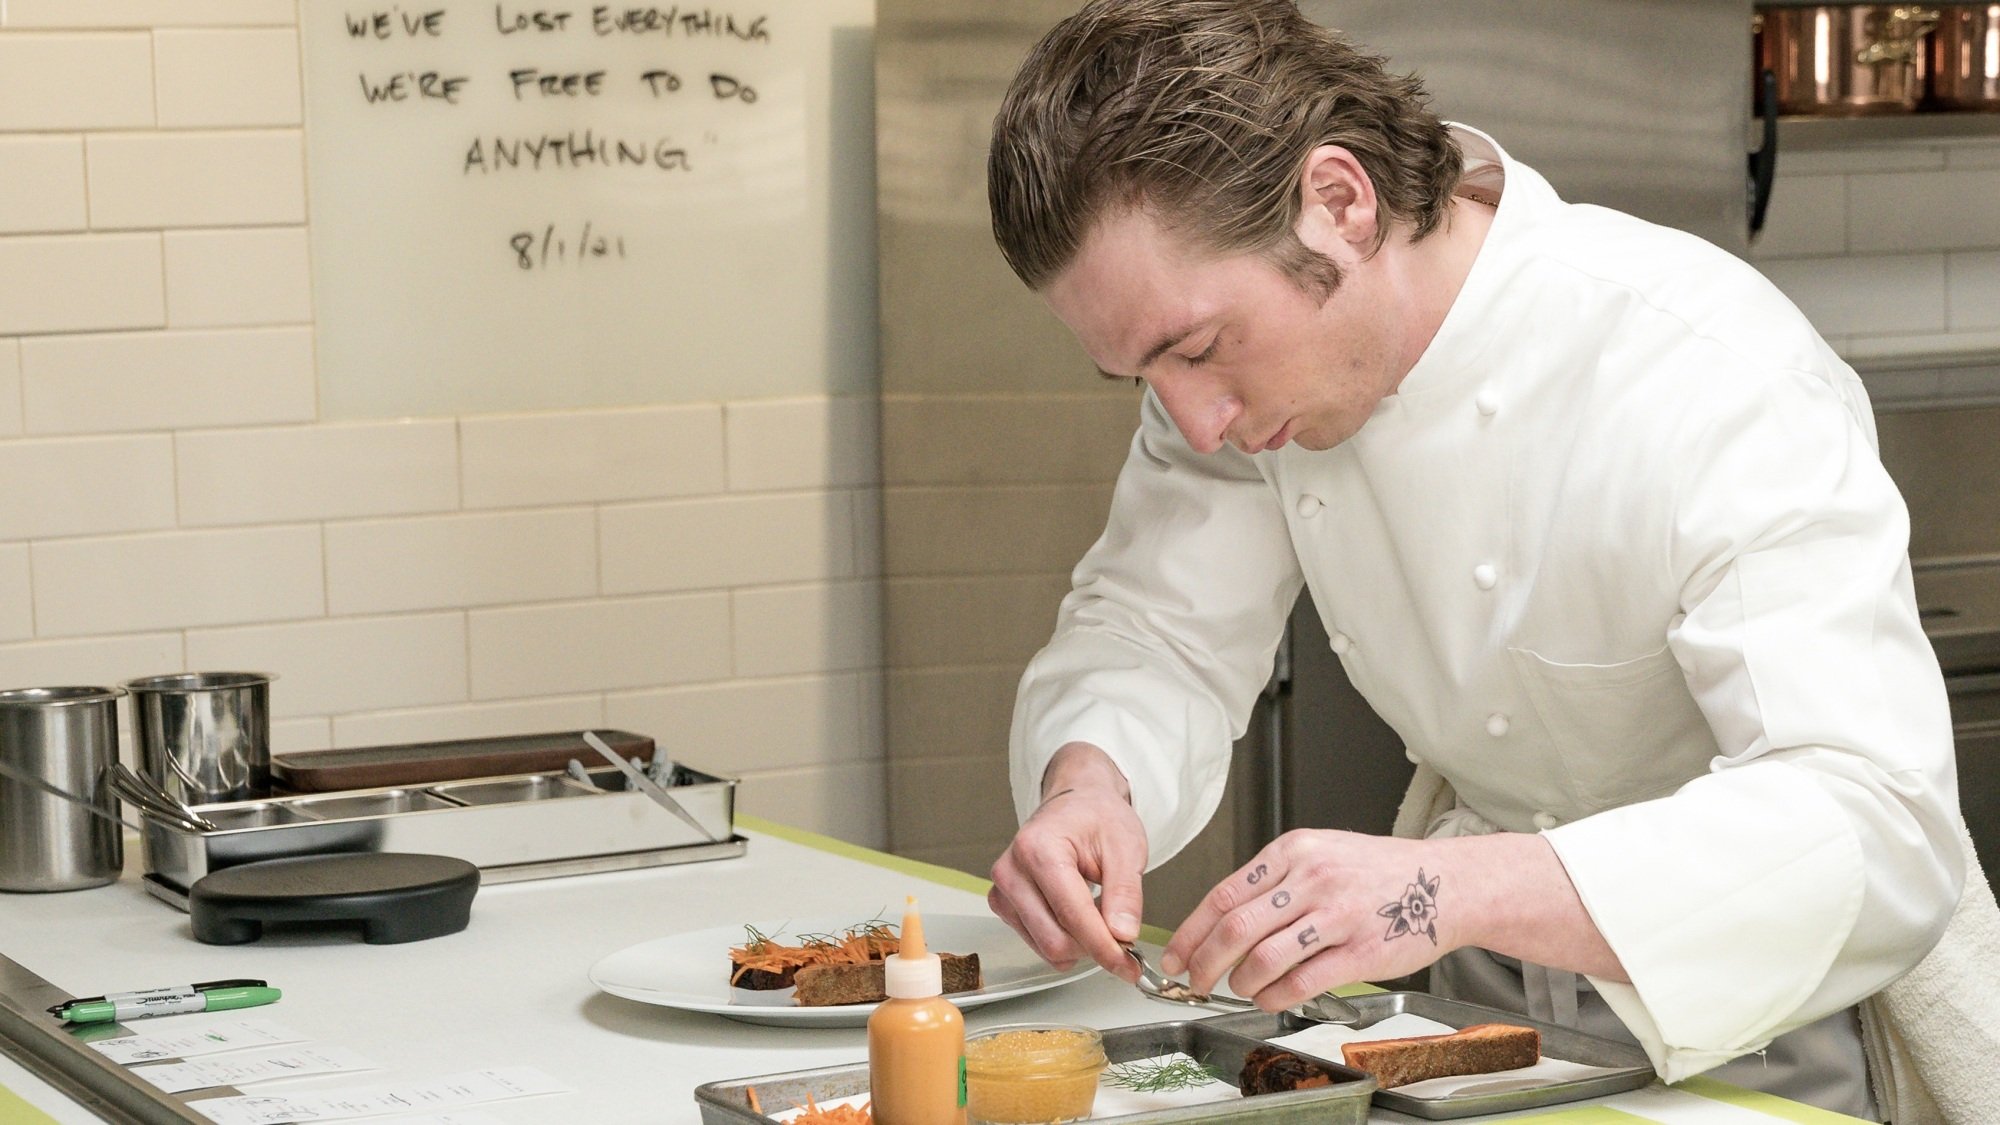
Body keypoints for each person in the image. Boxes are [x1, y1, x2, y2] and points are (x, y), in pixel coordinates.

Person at [982, 1, 1977, 1119]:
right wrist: (1088, 785)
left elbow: (1873, 829)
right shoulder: (1235, 399)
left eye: (1200, 348)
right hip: (1471, 1022)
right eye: (1142, 377)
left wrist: (1438, 889)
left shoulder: (1706, 367)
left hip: (1749, 1030)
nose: (1193, 420)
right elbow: (1152, 628)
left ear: (1338, 204)